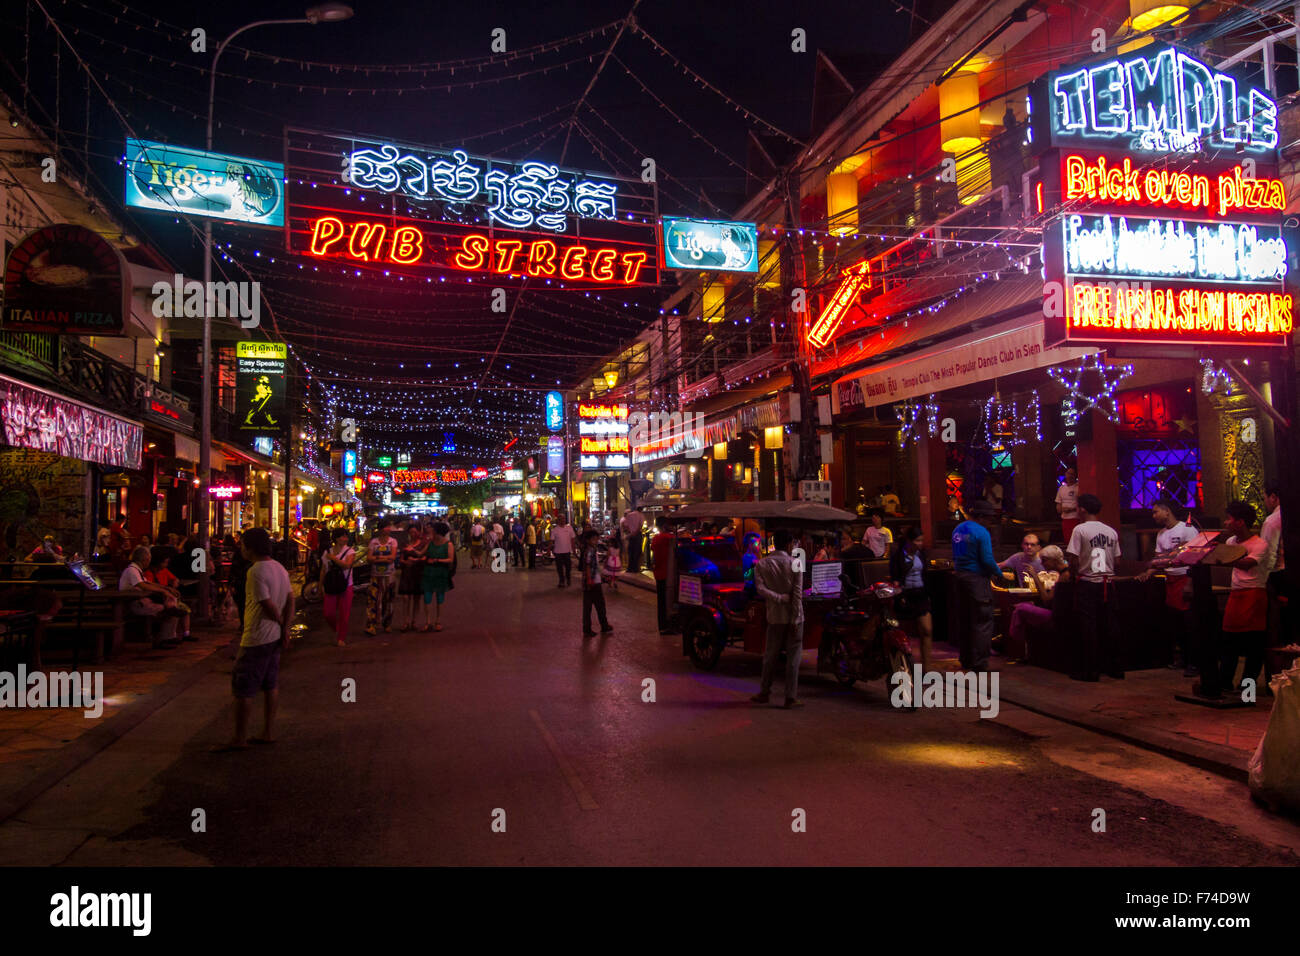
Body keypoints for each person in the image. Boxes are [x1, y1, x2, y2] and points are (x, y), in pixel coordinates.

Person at [215, 527, 292, 752]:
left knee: (244, 688)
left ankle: (240, 737)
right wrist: (285, 628)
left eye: (243, 545)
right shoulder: (279, 568)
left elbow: (266, 604)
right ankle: (268, 731)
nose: (241, 549)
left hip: (257, 636)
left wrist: (279, 623)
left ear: (250, 547)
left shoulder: (256, 571)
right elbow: (290, 600)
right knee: (270, 685)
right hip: (274, 637)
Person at [1216, 501, 1271, 698]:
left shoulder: (1259, 543)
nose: (1226, 522)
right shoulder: (1231, 542)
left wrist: (1219, 555)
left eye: (1229, 518)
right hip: (1236, 594)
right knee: (1229, 641)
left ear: (1240, 522)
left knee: (1253, 647)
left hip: (1253, 594)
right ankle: (1224, 684)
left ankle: (1248, 691)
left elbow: (1247, 564)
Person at [1137, 499, 1198, 676]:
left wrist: (1190, 582)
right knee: (1176, 623)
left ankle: (1194, 662)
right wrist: (1149, 570)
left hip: (1184, 577)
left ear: (1167, 511)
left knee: (1189, 623)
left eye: (1156, 511)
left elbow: (1195, 557)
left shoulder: (1187, 529)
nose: (1153, 515)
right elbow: (1159, 558)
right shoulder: (1161, 534)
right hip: (1170, 579)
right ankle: (1183, 658)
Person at [1066, 493, 1122, 682]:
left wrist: (1074, 574)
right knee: (1111, 625)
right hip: (1108, 582)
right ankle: (1115, 668)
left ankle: (1091, 670)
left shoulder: (1079, 530)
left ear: (1082, 509)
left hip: (1087, 583)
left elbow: (1073, 558)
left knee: (1088, 627)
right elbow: (1118, 559)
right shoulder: (1111, 531)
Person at [750, 529, 805, 708]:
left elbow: (760, 589)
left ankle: (764, 692)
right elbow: (797, 595)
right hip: (794, 617)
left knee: (770, 656)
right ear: (789, 544)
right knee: (793, 658)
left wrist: (777, 598)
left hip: (774, 616)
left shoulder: (762, 564)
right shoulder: (795, 563)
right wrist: (795, 619)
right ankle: (790, 697)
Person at [951, 516, 1000, 671]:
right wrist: (999, 573)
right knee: (982, 621)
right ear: (983, 516)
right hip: (977, 580)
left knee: (965, 620)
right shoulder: (982, 532)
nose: (990, 521)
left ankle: (965, 659)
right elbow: (987, 559)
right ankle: (979, 663)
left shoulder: (957, 529)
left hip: (959, 578)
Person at [1009, 545, 1071, 657]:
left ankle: (1018, 650)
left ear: (1054, 560)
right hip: (1061, 614)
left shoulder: (1064, 576)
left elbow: (1047, 600)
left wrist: (1035, 577)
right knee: (1025, 605)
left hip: (1058, 618)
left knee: (1020, 609)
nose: (1042, 563)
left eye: (1044, 560)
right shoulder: (1066, 573)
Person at [118, 546, 181, 649]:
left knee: (168, 607)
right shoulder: (132, 570)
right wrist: (164, 591)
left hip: (139, 601)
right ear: (144, 559)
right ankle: (161, 639)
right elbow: (142, 585)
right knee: (163, 610)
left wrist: (166, 589)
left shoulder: (137, 570)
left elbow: (148, 583)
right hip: (131, 604)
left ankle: (167, 636)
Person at [890, 526, 933, 672]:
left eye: (921, 540)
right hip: (905, 596)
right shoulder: (898, 556)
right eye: (917, 541)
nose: (920, 544)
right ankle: (904, 666)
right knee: (903, 635)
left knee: (927, 630)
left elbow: (926, 574)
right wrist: (899, 594)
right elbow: (895, 578)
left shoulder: (921, 554)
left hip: (920, 594)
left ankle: (927, 669)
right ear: (908, 541)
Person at [145, 551, 193, 641]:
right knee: (172, 610)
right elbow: (149, 586)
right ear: (158, 562)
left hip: (167, 597)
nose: (167, 564)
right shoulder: (149, 573)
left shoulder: (164, 571)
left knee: (185, 610)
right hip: (156, 598)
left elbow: (174, 578)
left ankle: (186, 634)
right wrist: (166, 590)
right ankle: (171, 636)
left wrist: (174, 583)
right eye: (165, 562)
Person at [321, 528, 357, 648]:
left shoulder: (350, 551)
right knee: (328, 613)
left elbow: (347, 565)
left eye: (346, 536)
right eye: (342, 536)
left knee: (344, 613)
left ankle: (341, 637)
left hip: (346, 585)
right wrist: (320, 584)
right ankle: (336, 628)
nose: (345, 539)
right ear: (336, 538)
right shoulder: (327, 551)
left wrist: (334, 559)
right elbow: (323, 569)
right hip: (330, 584)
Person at [577, 529, 614, 636]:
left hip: (592, 580)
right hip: (593, 582)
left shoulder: (590, 549)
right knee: (599, 605)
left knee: (590, 606)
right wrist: (590, 579)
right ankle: (602, 626)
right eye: (593, 539)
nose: (596, 540)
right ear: (588, 540)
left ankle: (589, 628)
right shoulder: (590, 550)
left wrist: (601, 576)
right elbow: (588, 565)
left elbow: (594, 566)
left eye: (596, 538)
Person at [365, 522, 399, 636]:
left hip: (389, 576)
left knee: (388, 599)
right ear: (380, 529)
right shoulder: (373, 542)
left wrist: (376, 558)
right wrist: (384, 558)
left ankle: (387, 623)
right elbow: (369, 558)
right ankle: (371, 624)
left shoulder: (393, 541)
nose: (388, 528)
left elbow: (393, 557)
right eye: (386, 526)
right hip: (375, 575)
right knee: (373, 600)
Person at [421, 522, 455, 632]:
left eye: (433, 529)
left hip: (441, 573)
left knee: (439, 598)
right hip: (428, 573)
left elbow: (450, 559)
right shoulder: (430, 543)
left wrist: (437, 560)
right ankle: (428, 621)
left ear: (437, 531)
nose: (431, 530)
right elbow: (421, 554)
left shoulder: (448, 544)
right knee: (427, 597)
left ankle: (438, 621)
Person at [396, 523, 427, 630]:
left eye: (415, 532)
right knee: (406, 598)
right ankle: (405, 621)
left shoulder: (423, 544)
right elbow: (401, 559)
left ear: (418, 532)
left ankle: (414, 621)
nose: (413, 534)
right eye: (411, 532)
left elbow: (424, 558)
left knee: (416, 598)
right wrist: (405, 562)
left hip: (418, 572)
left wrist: (416, 560)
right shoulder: (405, 544)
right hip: (407, 573)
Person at [650, 518, 675, 633]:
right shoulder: (671, 538)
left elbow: (654, 559)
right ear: (665, 525)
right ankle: (669, 625)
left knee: (662, 602)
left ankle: (663, 626)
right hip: (671, 574)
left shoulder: (657, 539)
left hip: (660, 574)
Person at [1056, 466, 1080, 544]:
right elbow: (1058, 504)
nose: (1070, 475)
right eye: (1068, 473)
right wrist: (1061, 509)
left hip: (1076, 519)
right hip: (1065, 520)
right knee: (1067, 541)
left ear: (1075, 476)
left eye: (1072, 474)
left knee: (1075, 542)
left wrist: (1071, 509)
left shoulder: (1078, 487)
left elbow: (1081, 503)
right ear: (1065, 474)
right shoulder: (1061, 488)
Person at [552, 513, 577, 587]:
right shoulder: (555, 530)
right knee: (559, 568)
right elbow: (552, 541)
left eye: (563, 518)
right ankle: (561, 580)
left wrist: (574, 549)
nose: (562, 520)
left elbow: (573, 540)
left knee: (568, 567)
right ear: (558, 520)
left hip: (567, 551)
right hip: (558, 552)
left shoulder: (569, 528)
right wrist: (548, 550)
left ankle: (568, 578)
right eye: (560, 519)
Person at [623, 506, 645, 572]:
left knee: (631, 552)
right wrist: (635, 532)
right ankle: (635, 569)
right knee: (637, 552)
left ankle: (629, 568)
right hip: (637, 535)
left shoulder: (629, 515)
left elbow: (625, 526)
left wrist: (631, 532)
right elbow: (640, 526)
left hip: (631, 535)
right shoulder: (641, 515)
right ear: (641, 509)